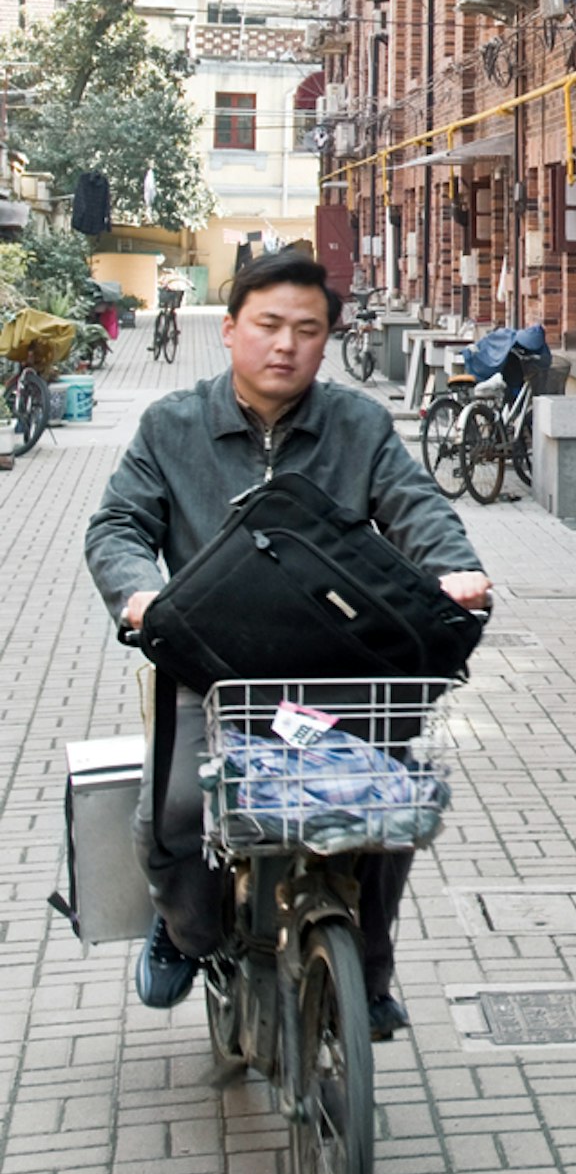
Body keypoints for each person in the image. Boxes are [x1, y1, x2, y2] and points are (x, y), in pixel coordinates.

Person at [85, 250, 491, 1038]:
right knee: (174, 811)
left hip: (335, 666)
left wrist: (455, 570)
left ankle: (365, 979)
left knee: (388, 812)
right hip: (211, 662)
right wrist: (139, 592)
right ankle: (188, 930)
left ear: (327, 341)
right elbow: (119, 524)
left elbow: (413, 503)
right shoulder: (171, 427)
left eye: (308, 330)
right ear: (231, 330)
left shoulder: (358, 423)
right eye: (268, 325)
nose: (286, 345)